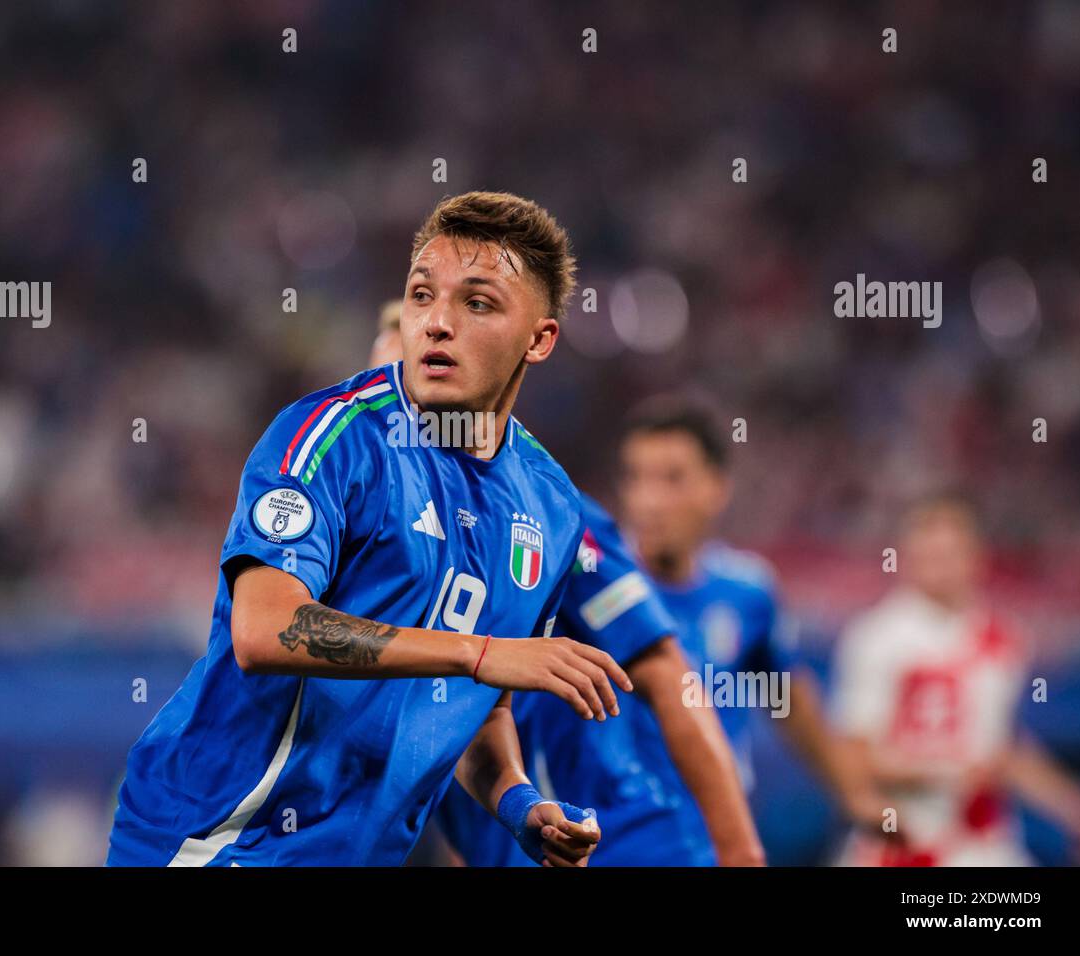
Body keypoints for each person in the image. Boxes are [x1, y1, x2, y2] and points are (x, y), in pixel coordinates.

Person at [106, 191, 631, 867]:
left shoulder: (553, 507)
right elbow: (265, 630)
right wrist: (478, 652)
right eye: (421, 295)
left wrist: (519, 804)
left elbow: (478, 707)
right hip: (216, 843)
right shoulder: (332, 439)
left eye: (477, 303)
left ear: (540, 338)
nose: (437, 323)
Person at [372, 304, 764, 867]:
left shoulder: (548, 513)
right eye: (380, 380)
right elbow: (450, 728)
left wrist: (741, 855)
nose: (394, 400)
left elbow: (664, 670)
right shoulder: (368, 532)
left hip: (611, 844)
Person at [618, 396, 887, 835]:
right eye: (636, 478)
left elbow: (788, 698)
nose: (649, 501)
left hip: (719, 836)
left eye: (672, 479)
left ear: (716, 488)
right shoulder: (591, 586)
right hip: (618, 839)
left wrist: (853, 794)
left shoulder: (748, 592)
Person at [831, 492, 1080, 866]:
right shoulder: (877, 637)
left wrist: (1074, 809)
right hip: (903, 845)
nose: (938, 566)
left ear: (977, 556)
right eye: (927, 554)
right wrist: (945, 773)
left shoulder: (1003, 638)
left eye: (949, 553)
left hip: (983, 844)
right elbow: (853, 759)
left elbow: (1006, 748)